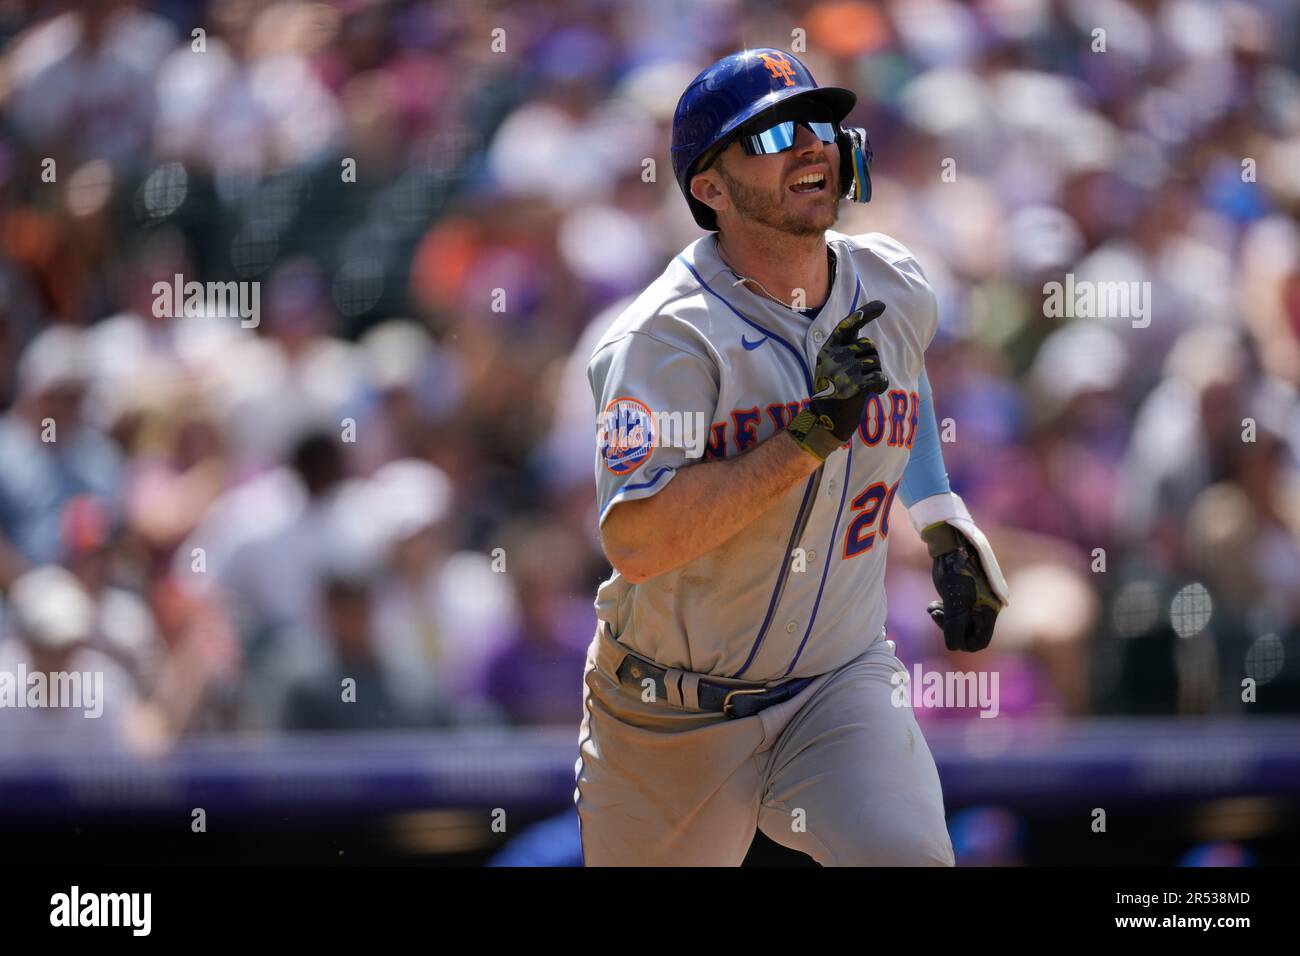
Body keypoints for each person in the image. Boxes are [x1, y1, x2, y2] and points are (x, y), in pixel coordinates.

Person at [573, 49, 1009, 866]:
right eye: (771, 136)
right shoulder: (667, 339)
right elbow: (637, 544)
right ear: (710, 187)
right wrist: (809, 435)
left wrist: (941, 515)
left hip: (836, 685)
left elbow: (900, 388)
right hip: (672, 716)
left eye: (819, 125)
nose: (810, 145)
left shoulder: (894, 283)